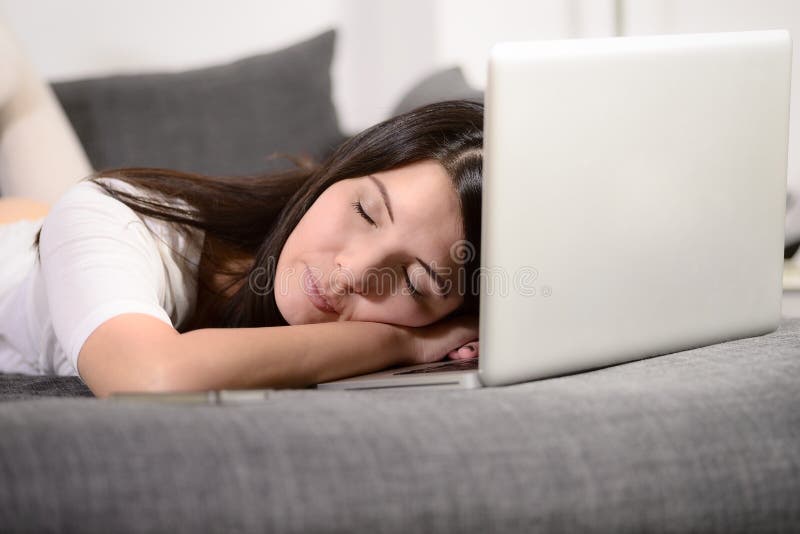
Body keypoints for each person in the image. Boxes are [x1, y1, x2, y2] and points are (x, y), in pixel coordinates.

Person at [0, 21, 483, 398]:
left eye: (414, 282)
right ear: (337, 173)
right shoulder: (112, 217)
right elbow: (149, 376)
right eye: (365, 212)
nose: (352, 272)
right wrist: (407, 344)